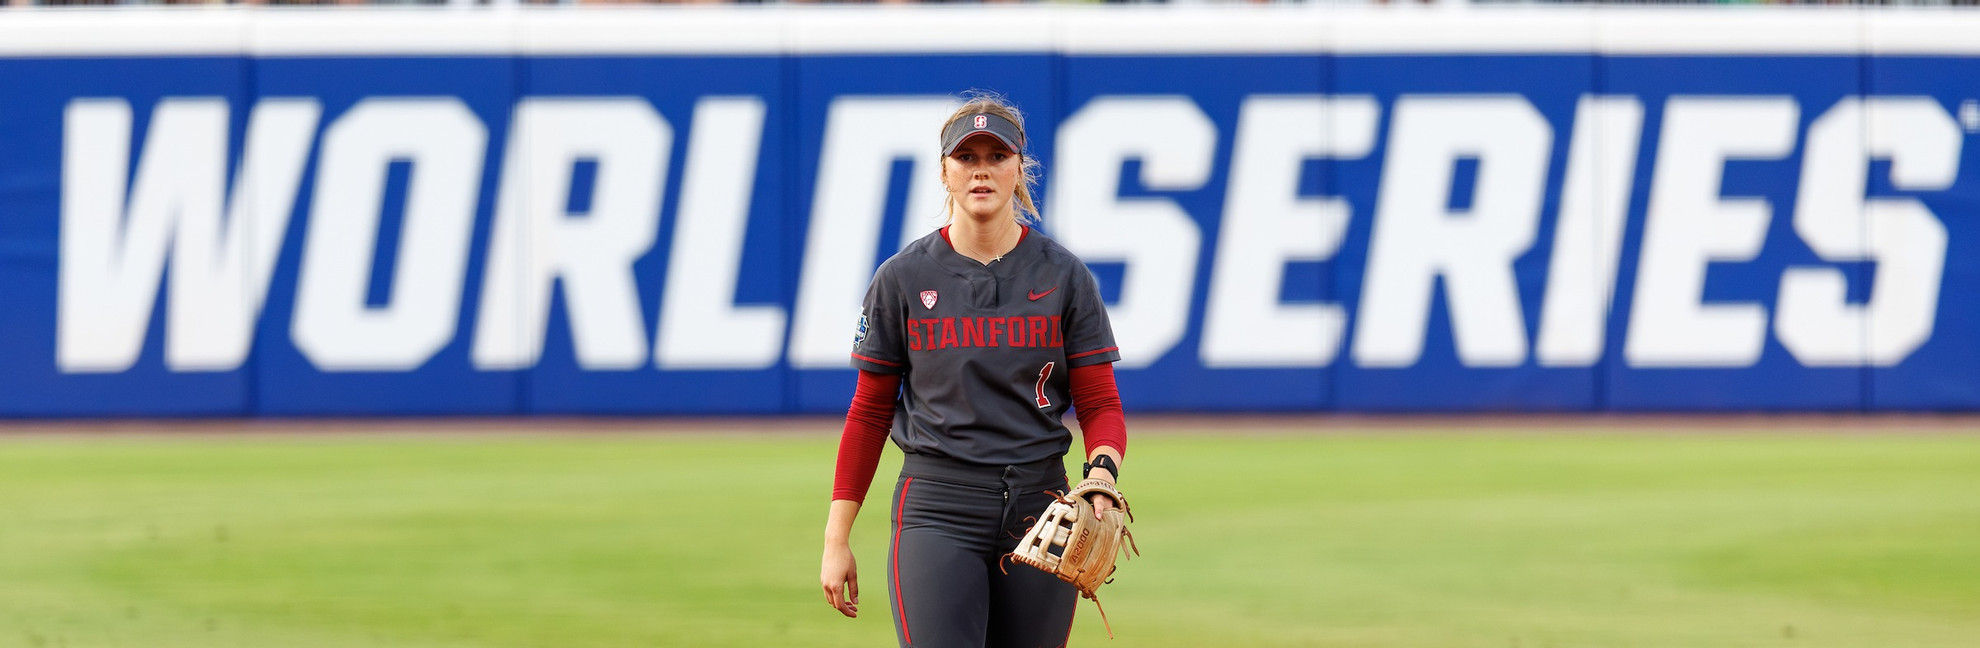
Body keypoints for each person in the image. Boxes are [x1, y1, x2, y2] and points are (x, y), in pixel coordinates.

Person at [818, 92, 1129, 648]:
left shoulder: (1064, 276)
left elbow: (1100, 403)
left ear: (1019, 169)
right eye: (966, 157)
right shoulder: (903, 278)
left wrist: (1102, 474)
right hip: (938, 506)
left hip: (1042, 506)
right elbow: (868, 414)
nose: (981, 169)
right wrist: (836, 538)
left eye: (997, 155)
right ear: (944, 172)